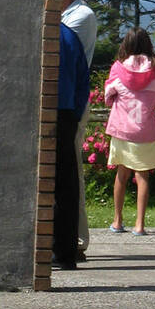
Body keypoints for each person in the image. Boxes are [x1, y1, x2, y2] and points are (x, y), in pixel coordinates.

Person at [104, 28, 155, 236]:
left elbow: (108, 95)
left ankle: (117, 220)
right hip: (145, 128)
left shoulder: (118, 68)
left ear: (126, 45)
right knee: (143, 175)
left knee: (122, 173)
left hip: (122, 128)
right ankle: (140, 224)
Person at [60, 0, 97, 259]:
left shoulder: (80, 16)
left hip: (72, 100)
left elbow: (59, 46)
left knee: (70, 171)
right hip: (67, 97)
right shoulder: (67, 15)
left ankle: (76, 239)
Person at [54, 14, 90, 270]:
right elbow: (83, 83)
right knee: (66, 185)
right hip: (64, 114)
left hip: (38, 113)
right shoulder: (69, 35)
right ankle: (65, 250)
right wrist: (74, 115)